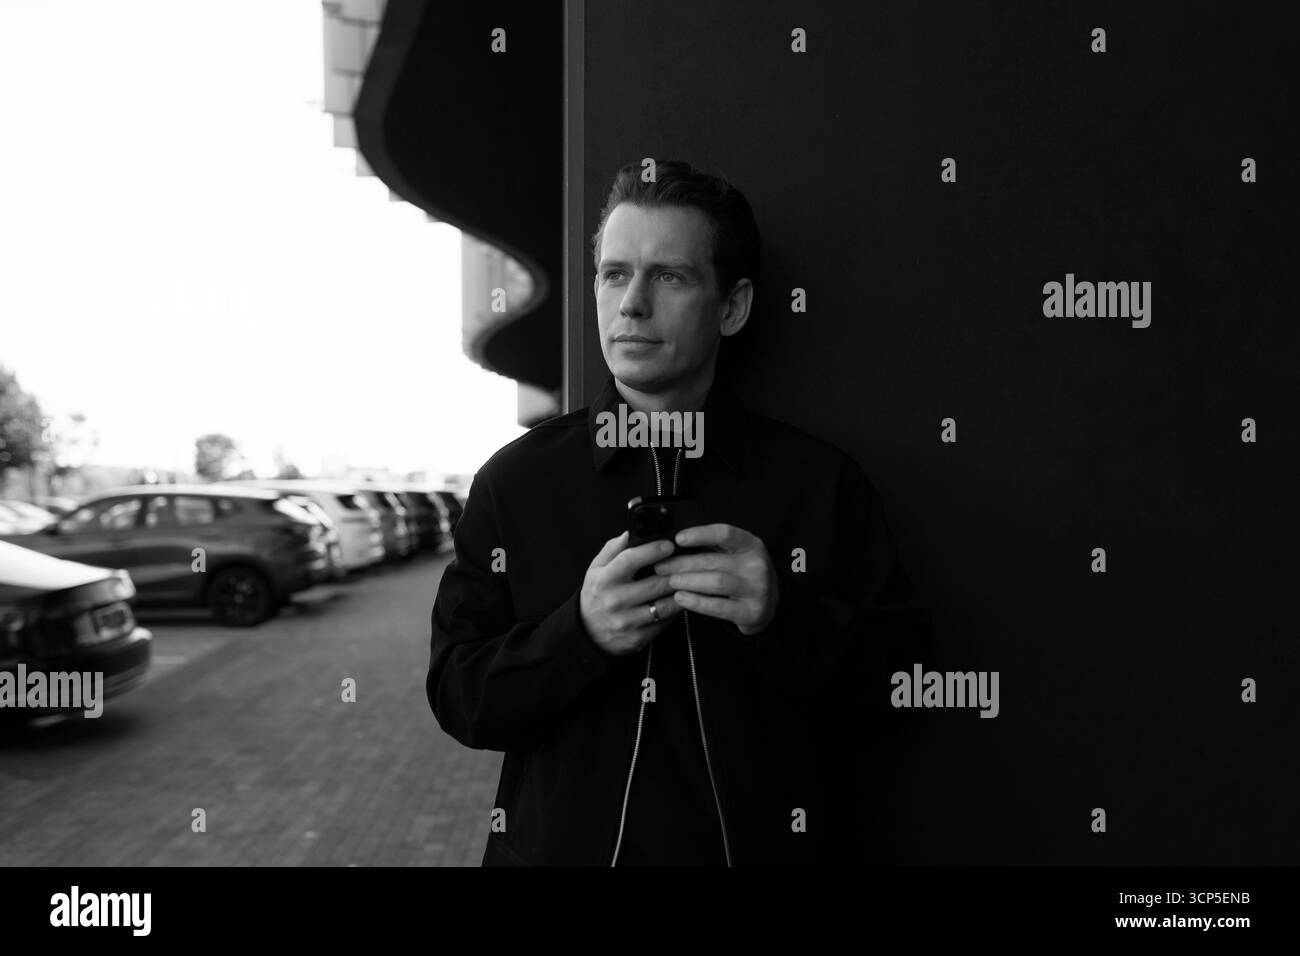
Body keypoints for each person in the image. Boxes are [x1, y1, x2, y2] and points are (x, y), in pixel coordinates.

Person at [427, 159, 931, 866]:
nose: (631, 304)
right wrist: (580, 634)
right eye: (614, 273)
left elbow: (904, 688)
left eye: (669, 276)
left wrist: (782, 618)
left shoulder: (820, 482)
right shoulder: (515, 482)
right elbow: (458, 697)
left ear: (733, 306)